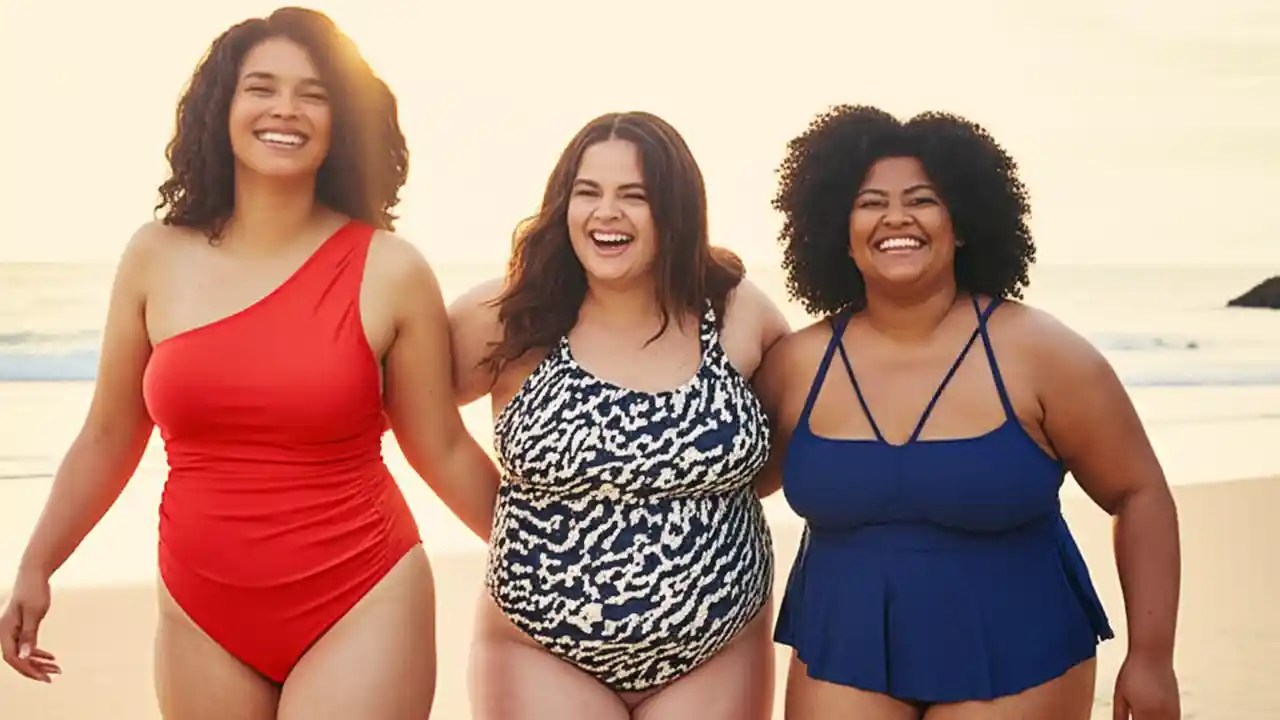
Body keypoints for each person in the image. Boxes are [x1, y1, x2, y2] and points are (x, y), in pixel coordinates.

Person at [0, 7, 498, 718]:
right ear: (223, 107)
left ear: (341, 121)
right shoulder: (154, 256)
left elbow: (443, 448)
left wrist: (552, 562)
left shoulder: (389, 269)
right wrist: (36, 564)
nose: (286, 109)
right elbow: (109, 433)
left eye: (314, 93)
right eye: (261, 86)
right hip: (201, 608)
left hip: (360, 595)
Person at [754, 105, 1182, 719]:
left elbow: (1139, 492)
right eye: (870, 201)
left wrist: (1152, 657)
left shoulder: (1042, 352)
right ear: (837, 230)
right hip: (841, 645)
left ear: (961, 224)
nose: (896, 217)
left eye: (922, 200)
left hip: (1021, 648)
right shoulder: (797, 364)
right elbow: (725, 483)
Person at [448, 110, 790, 719]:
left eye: (636, 196)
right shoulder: (508, 316)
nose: (608, 213)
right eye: (589, 193)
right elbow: (422, 425)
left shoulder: (737, 310)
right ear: (563, 205)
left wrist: (690, 511)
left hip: (717, 648)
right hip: (539, 649)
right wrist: (512, 528)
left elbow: (782, 445)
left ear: (676, 211)